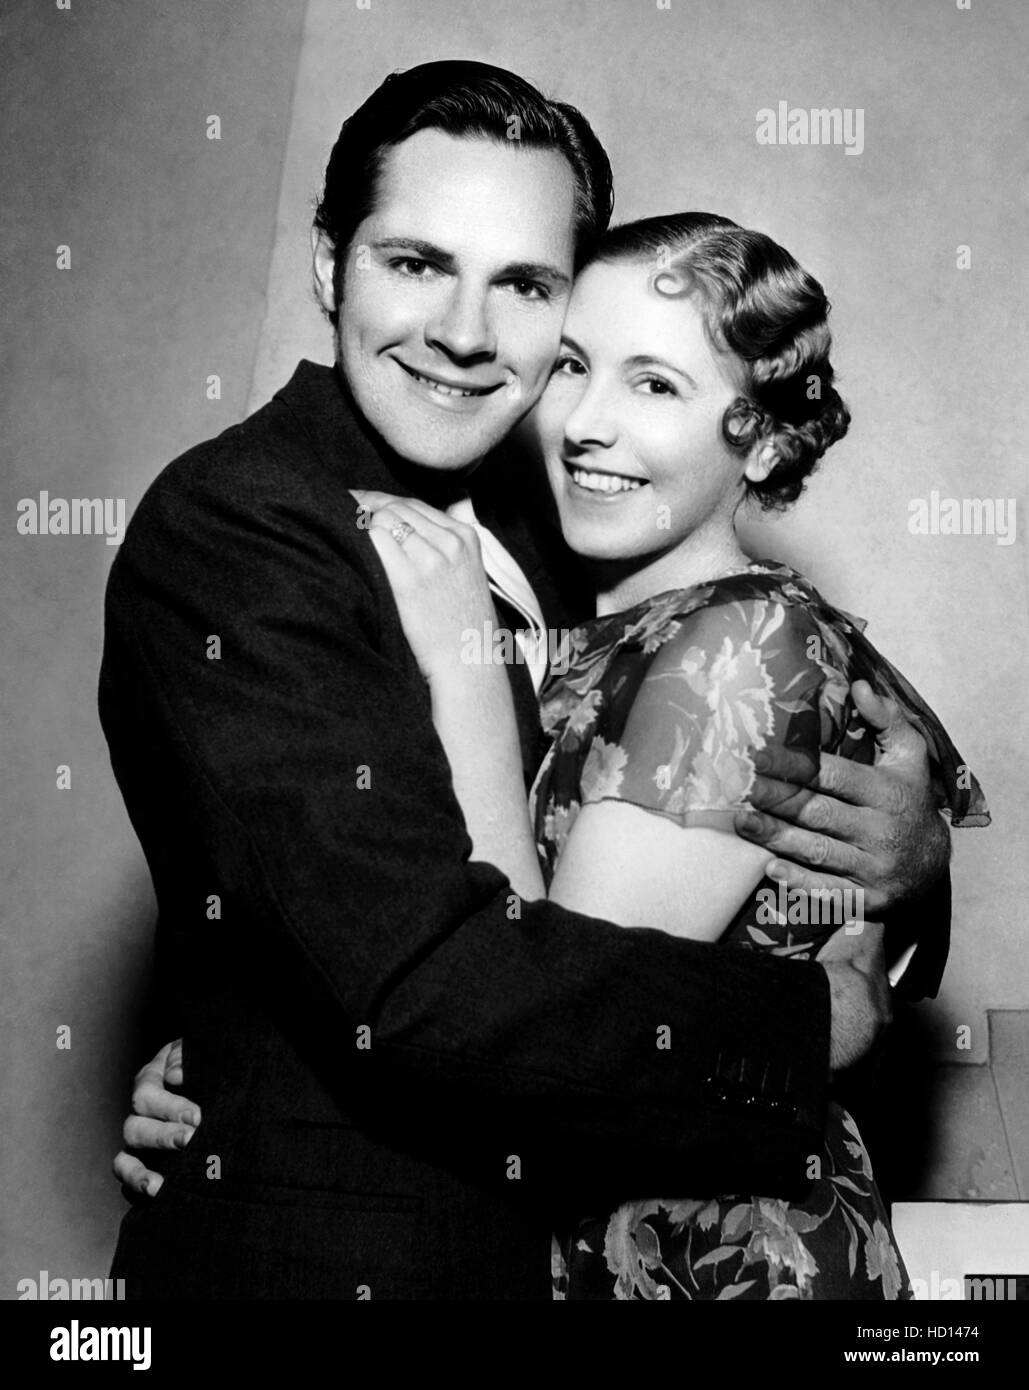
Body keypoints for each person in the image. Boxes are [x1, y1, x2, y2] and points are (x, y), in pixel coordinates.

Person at [101, 63, 950, 1300]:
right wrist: (815, 1030)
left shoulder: (576, 507)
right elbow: (422, 986)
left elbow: (747, 775)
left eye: (523, 285)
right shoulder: (242, 527)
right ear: (333, 265)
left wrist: (910, 875)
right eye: (414, 263)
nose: (463, 330)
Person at [351, 212, 989, 1299]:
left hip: (726, 1263)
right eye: (571, 368)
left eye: (655, 386)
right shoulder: (610, 623)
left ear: (769, 438)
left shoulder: (738, 640)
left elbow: (551, 1007)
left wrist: (456, 659)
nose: (587, 425)